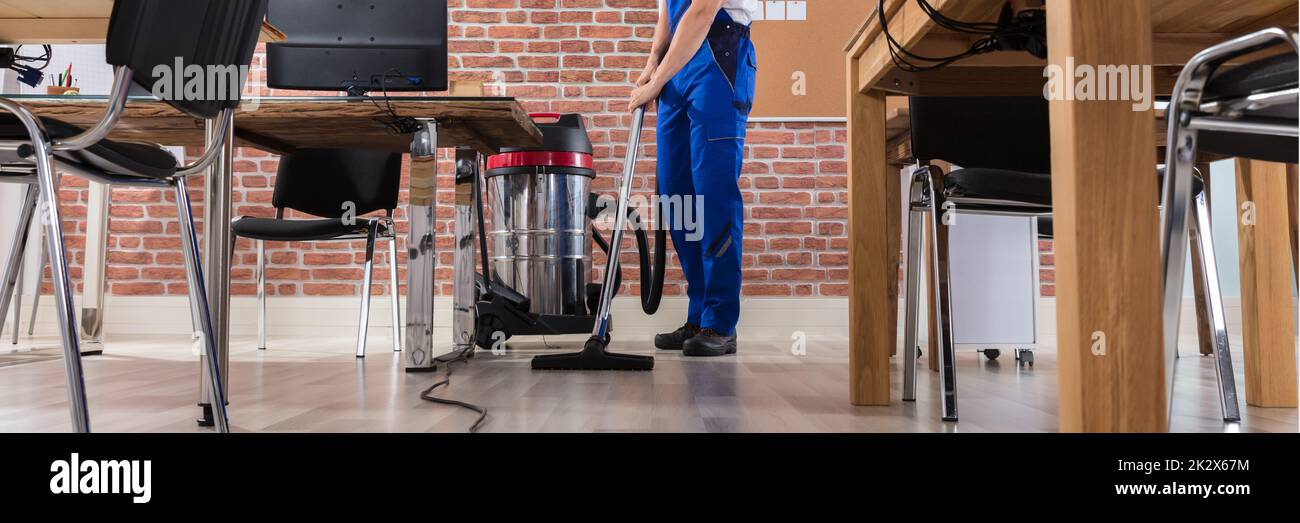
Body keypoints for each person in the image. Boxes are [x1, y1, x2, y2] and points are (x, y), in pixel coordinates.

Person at [628, 0, 758, 357]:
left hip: (719, 55)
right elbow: (666, 17)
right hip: (678, 65)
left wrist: (657, 80)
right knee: (676, 197)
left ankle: (719, 322)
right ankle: (699, 314)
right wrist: (653, 62)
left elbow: (701, 12)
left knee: (712, 194)